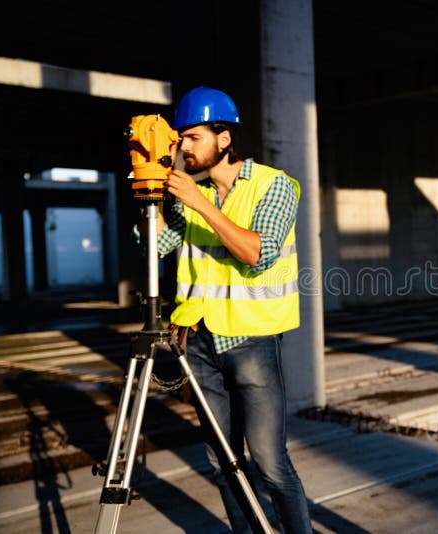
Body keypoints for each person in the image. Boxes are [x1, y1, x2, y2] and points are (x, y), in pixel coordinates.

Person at [151, 86, 312, 533]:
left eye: (193, 137)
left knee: (269, 463)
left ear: (223, 139)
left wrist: (199, 202)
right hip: (198, 342)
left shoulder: (274, 185)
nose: (184, 147)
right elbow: (154, 246)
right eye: (181, 138)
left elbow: (256, 253)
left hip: (251, 341)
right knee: (223, 462)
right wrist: (152, 193)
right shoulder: (191, 194)